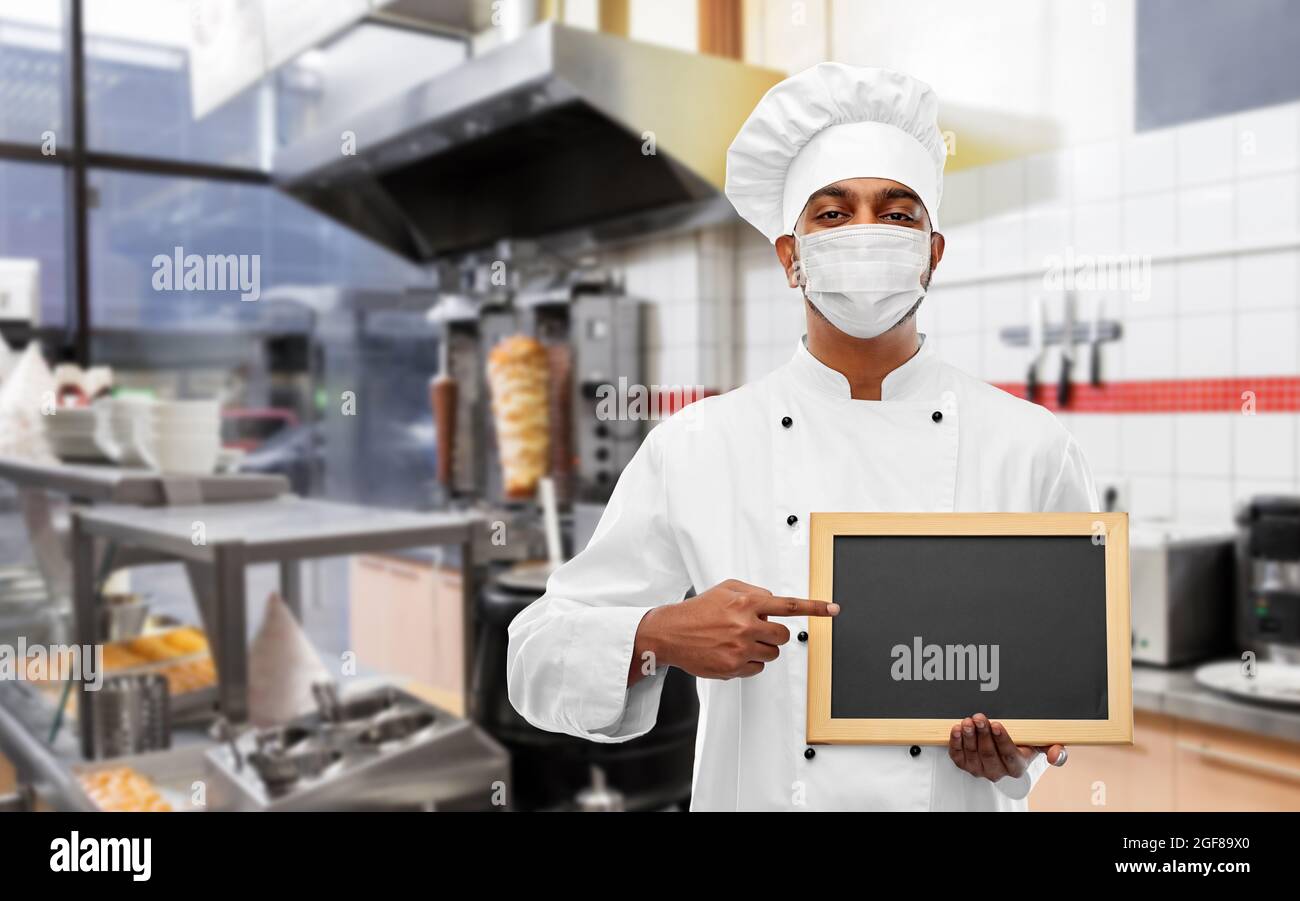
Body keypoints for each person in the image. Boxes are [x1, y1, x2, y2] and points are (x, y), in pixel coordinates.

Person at [507, 64, 1095, 811]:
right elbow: (533, 655)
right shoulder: (698, 445)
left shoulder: (1031, 447)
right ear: (790, 257)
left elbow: (1059, 674)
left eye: (897, 212)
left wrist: (1013, 758)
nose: (867, 231)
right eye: (832, 212)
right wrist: (657, 633)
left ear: (932, 254)